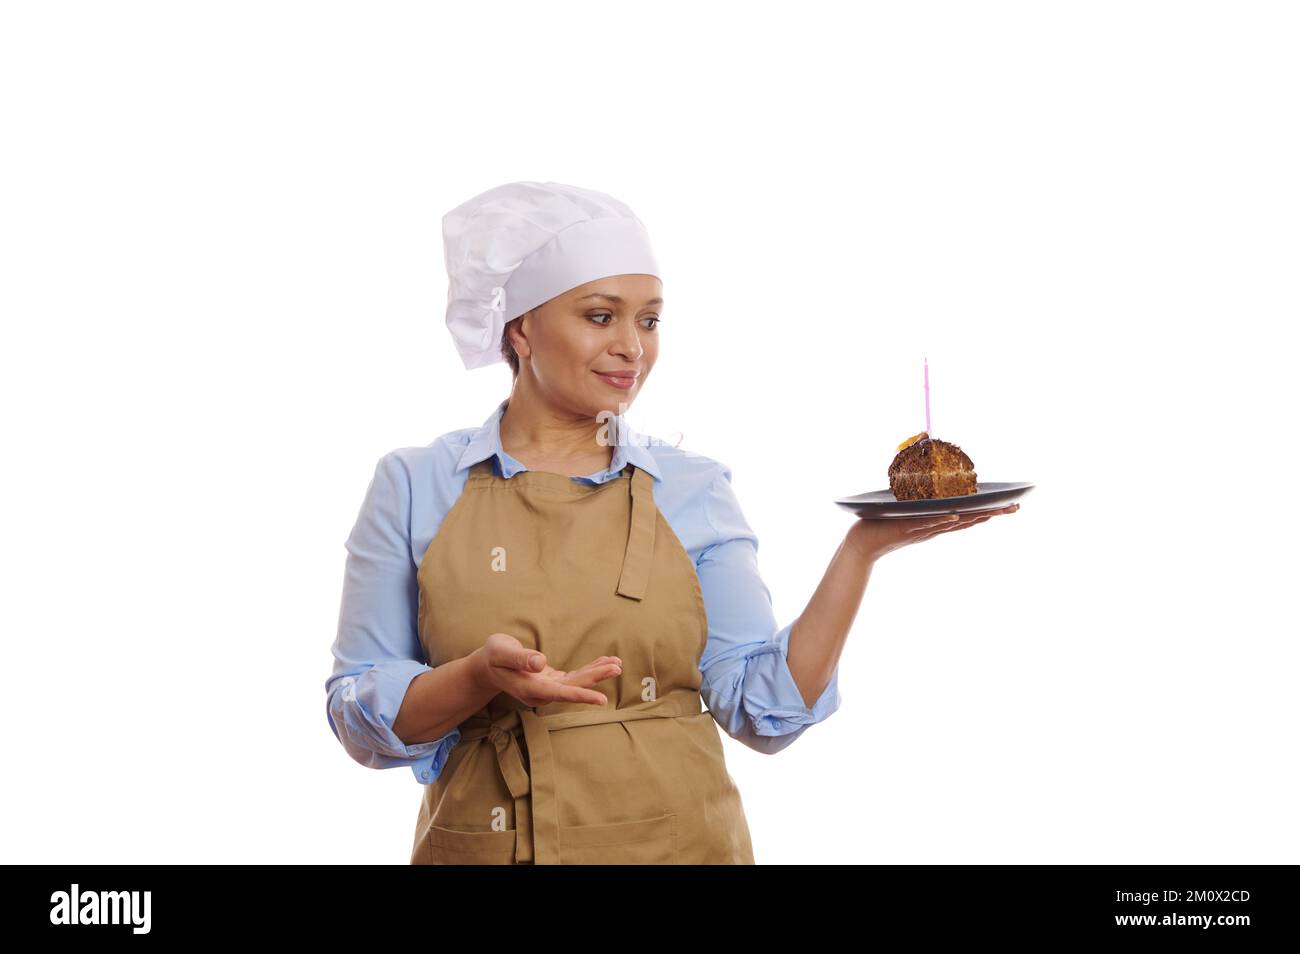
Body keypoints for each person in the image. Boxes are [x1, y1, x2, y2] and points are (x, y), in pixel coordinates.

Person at [324, 180, 1018, 865]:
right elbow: (358, 713)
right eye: (601, 316)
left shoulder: (692, 487)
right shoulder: (414, 484)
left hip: (683, 845)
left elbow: (763, 709)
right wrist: (477, 677)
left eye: (649, 320)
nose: (633, 347)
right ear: (521, 328)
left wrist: (860, 551)